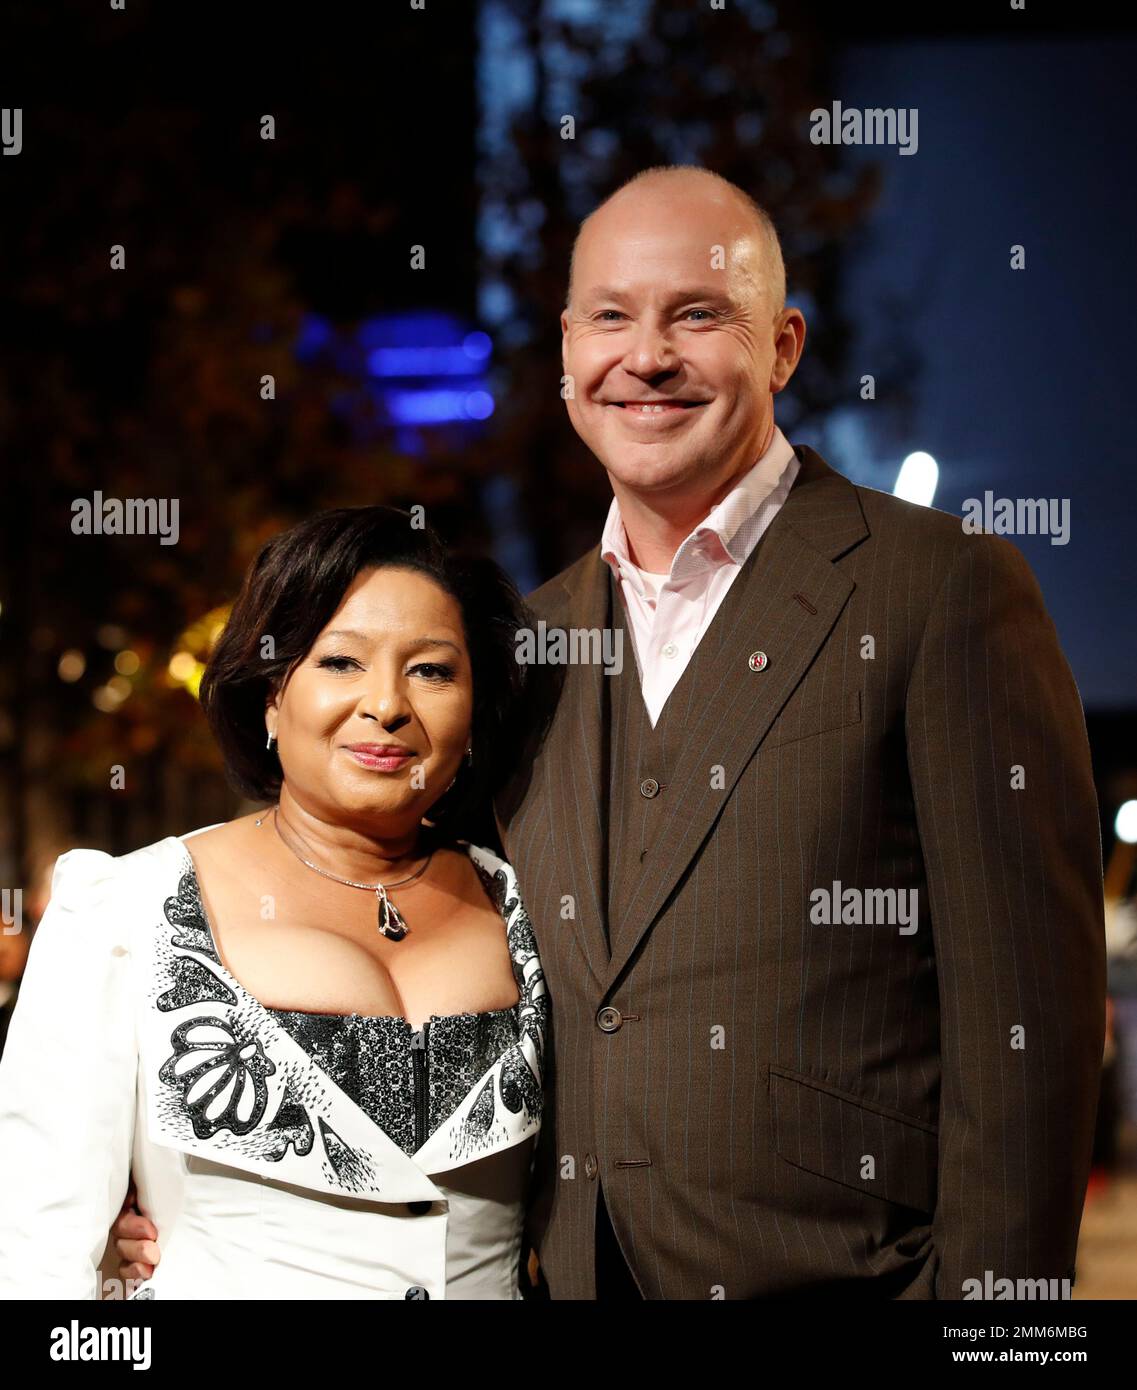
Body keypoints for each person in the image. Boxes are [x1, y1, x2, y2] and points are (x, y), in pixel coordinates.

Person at [115, 163, 1106, 1301]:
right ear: (569, 352)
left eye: (698, 314)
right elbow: (406, 928)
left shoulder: (941, 591)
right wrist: (200, 1199)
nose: (648, 356)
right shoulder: (516, 645)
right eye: (611, 317)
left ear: (782, 347)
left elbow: (1031, 1023)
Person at [0, 507, 549, 1299]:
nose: (387, 705)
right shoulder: (123, 910)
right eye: (339, 663)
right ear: (267, 696)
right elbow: (38, 1262)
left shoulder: (527, 902)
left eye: (432, 670)